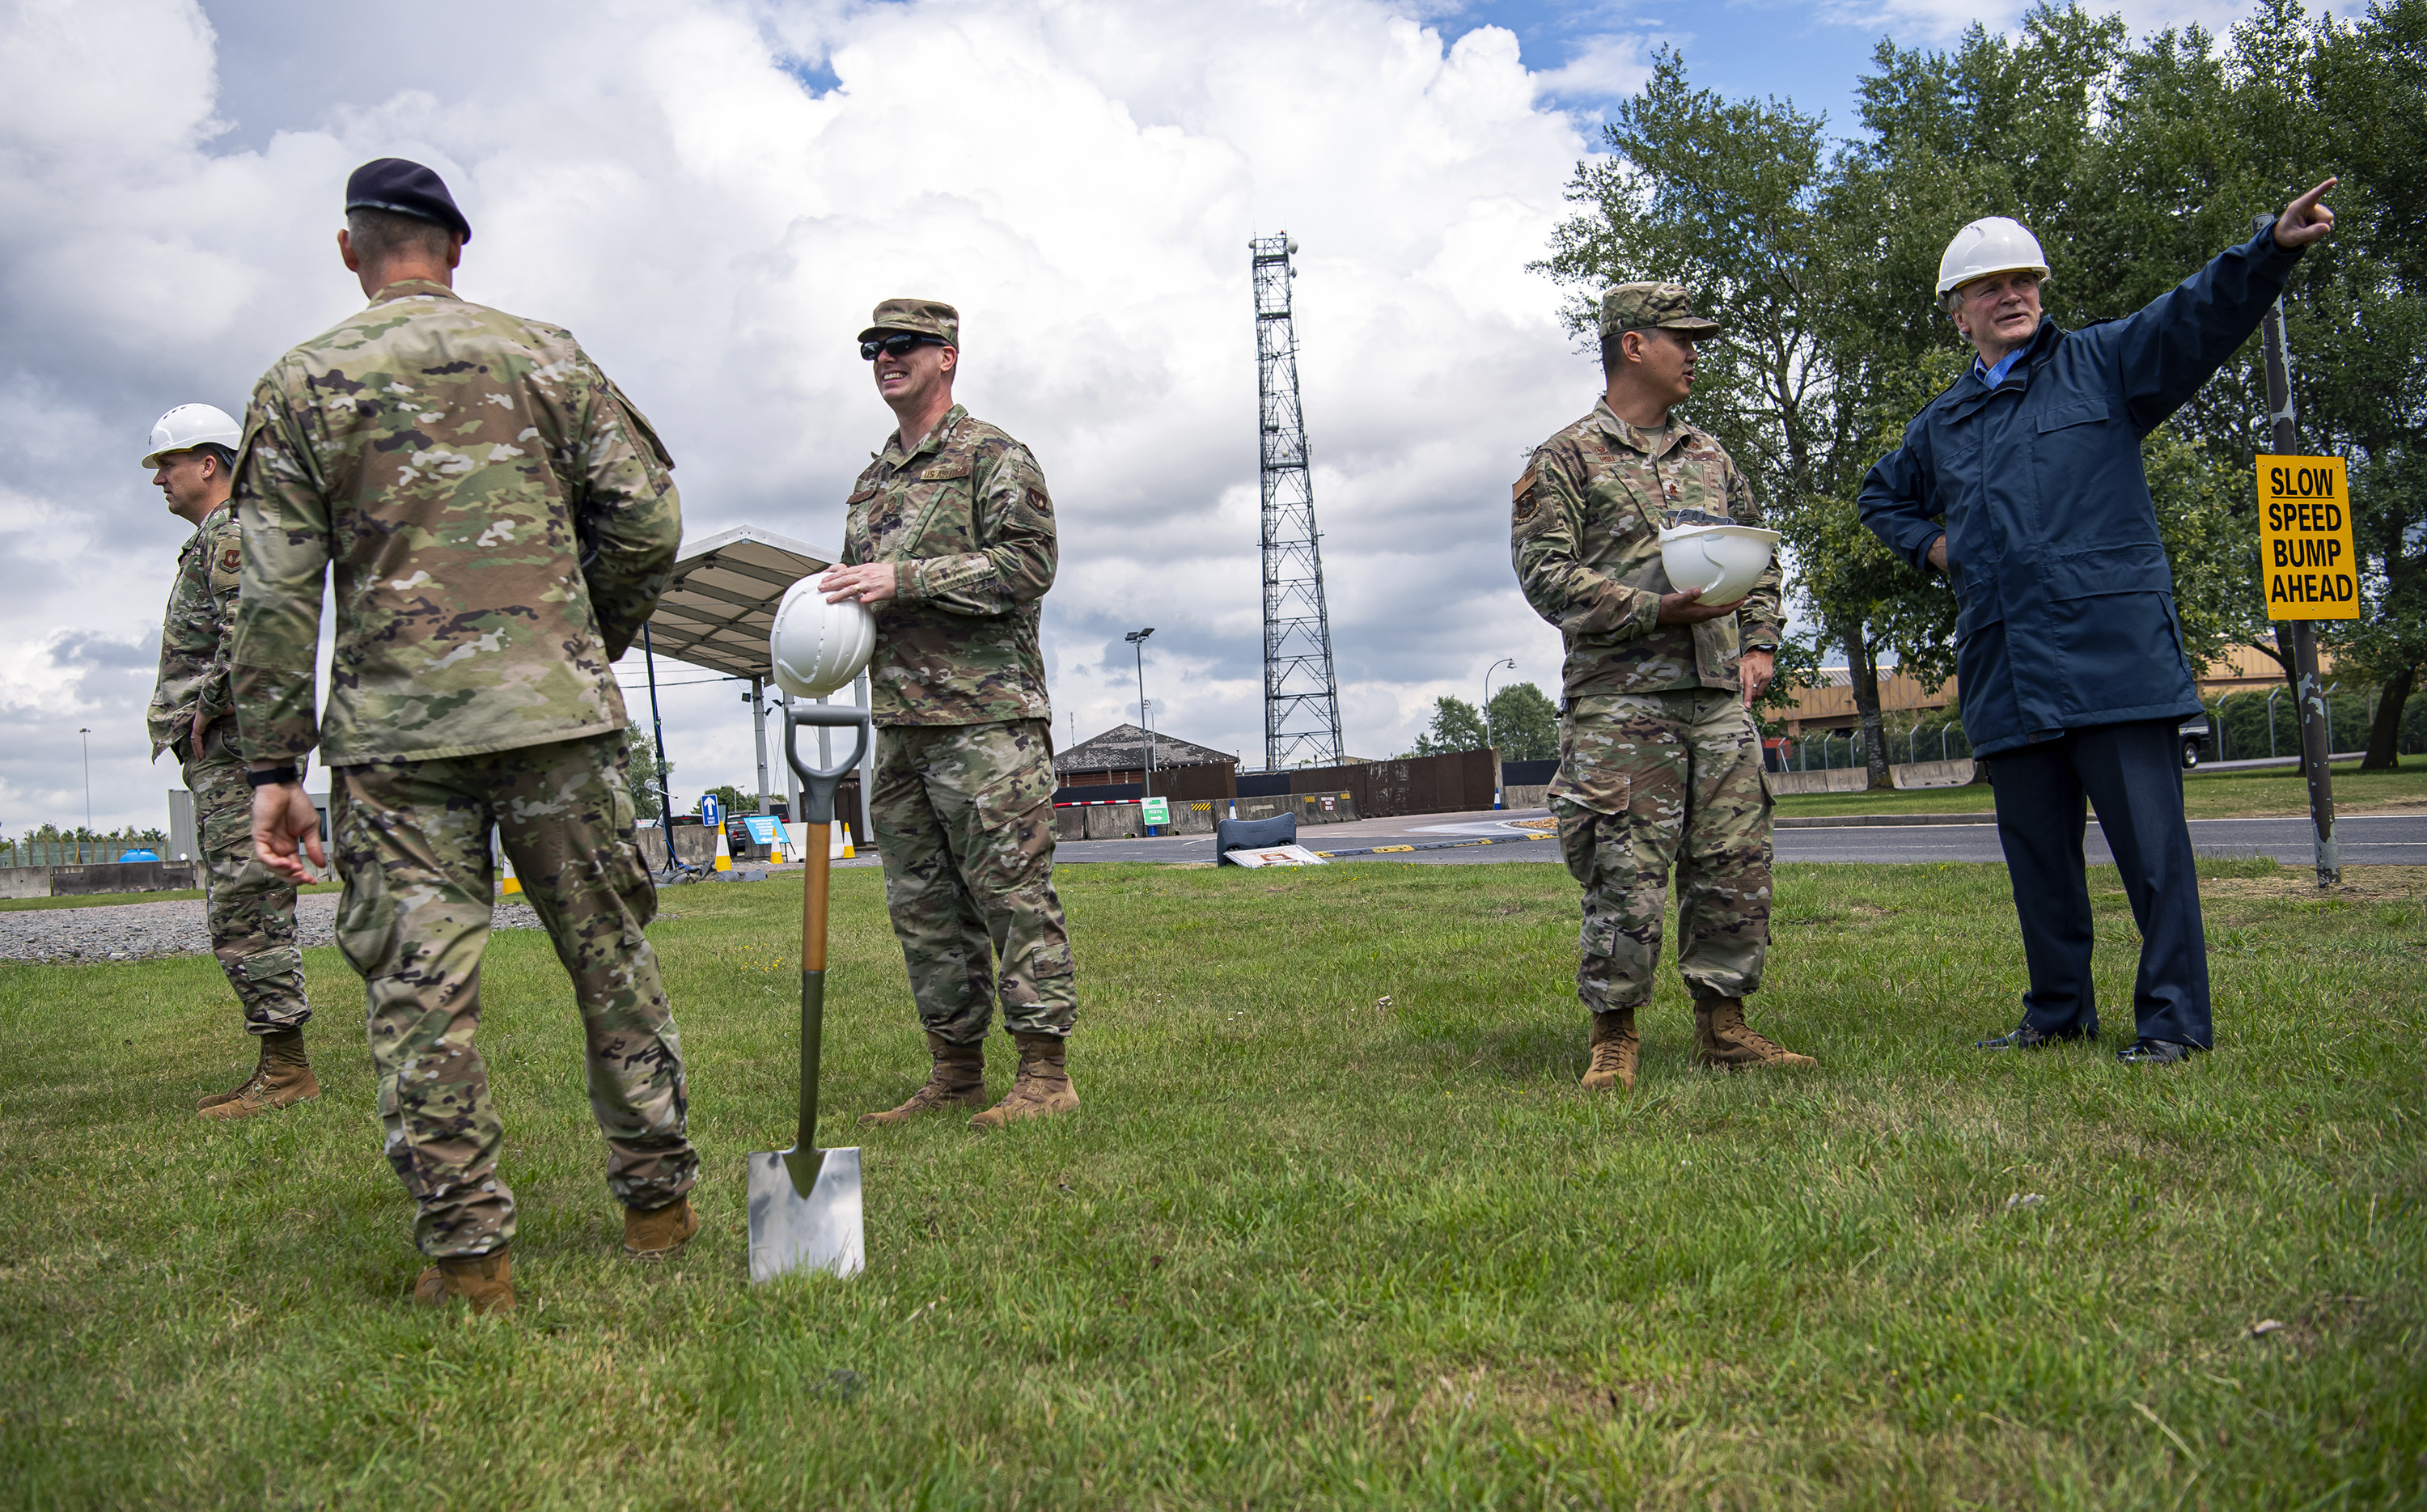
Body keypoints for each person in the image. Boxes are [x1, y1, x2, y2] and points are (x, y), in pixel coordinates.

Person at [233, 158, 697, 1315]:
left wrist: (272, 766)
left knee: (420, 994)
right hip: (557, 718)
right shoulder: (545, 354)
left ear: (352, 250)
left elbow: (276, 593)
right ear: (457, 250)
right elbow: (649, 521)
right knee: (611, 959)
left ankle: (471, 1261)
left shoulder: (302, 382)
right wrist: (577, 637)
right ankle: (657, 1209)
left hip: (395, 739)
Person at [1857, 180, 2340, 1065]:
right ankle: (2056, 1014)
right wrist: (1936, 549)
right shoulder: (1943, 424)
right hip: (2007, 666)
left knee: (2153, 860)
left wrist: (2268, 249)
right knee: (2039, 863)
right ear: (1956, 311)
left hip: (2114, 661)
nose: (2013, 296)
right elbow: (1880, 497)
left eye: (2025, 281)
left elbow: (2197, 314)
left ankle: (2172, 1026)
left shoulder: (2107, 364)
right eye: (1990, 286)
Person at [1512, 282, 1815, 1094]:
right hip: (1620, 701)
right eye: (1682, 338)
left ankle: (1726, 1027)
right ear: (1633, 345)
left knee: (1733, 864)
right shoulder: (1565, 459)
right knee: (1623, 869)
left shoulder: (1710, 458)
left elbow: (1762, 554)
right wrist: (1653, 609)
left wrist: (1760, 644)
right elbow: (1544, 578)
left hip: (1716, 698)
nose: (1695, 354)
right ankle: (1614, 1038)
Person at [820, 299, 1078, 1130]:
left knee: (1011, 895)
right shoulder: (872, 482)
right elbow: (869, 589)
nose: (885, 358)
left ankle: (1045, 1075)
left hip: (987, 725)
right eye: (873, 347)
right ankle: (956, 1070)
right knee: (923, 909)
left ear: (947, 356)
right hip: (899, 726)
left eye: (903, 345)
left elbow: (1029, 565)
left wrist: (908, 579)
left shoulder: (991, 455)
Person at [142, 403, 318, 1120]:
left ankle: (287, 1074)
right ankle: (276, 1064)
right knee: (245, 906)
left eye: (167, 464)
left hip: (239, 752)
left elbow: (250, 628)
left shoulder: (231, 535)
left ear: (208, 463)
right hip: (233, 755)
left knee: (247, 911)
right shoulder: (219, 537)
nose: (159, 480)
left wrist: (207, 704)